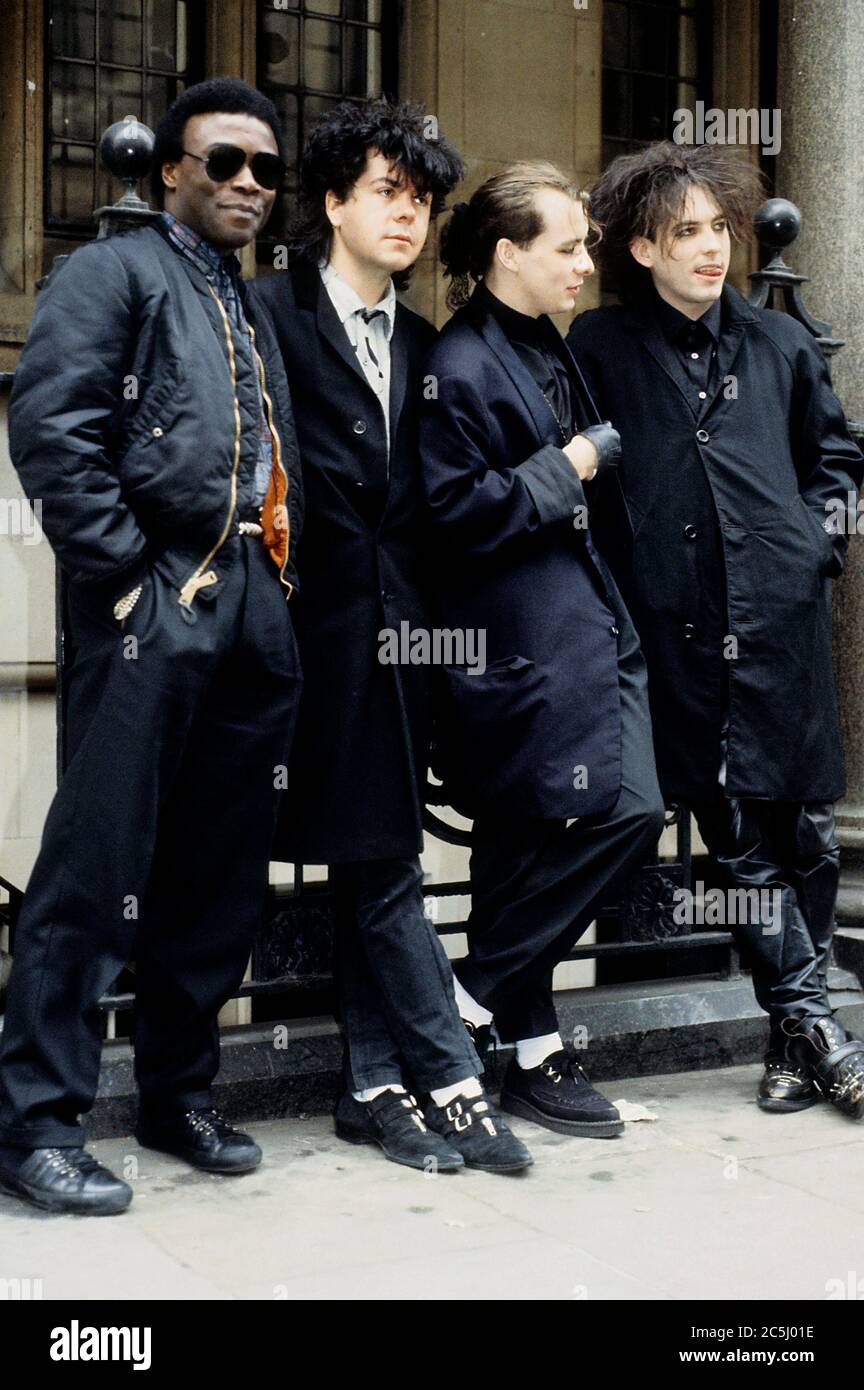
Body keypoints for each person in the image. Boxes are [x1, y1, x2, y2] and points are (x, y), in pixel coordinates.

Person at [0, 78, 305, 1215]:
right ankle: (35, 1122)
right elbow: (55, 428)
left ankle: (180, 1094)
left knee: (218, 878)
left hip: (250, 616)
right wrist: (129, 582)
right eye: (223, 161)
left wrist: (277, 587)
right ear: (170, 168)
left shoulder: (246, 296)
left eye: (265, 170)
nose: (247, 185)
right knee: (95, 872)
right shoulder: (111, 269)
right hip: (150, 607)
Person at [248, 100, 531, 1174]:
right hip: (301, 640)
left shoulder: (427, 344)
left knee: (376, 851)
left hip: (403, 647)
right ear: (331, 201)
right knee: (381, 858)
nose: (408, 216)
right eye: (386, 194)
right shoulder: (266, 312)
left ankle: (371, 1087)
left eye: (421, 201)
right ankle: (451, 1078)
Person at [567, 141, 864, 1118]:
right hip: (678, 629)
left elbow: (839, 466)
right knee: (735, 832)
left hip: (782, 626)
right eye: (684, 232)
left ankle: (792, 1038)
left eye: (718, 229)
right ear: (642, 247)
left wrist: (816, 551)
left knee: (809, 830)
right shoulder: (601, 348)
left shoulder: (780, 345)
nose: (710, 248)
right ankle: (822, 1023)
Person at [418, 162, 666, 1138]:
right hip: (517, 643)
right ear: (506, 252)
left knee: (632, 806)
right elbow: (448, 515)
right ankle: (529, 1049)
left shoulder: (539, 344)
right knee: (520, 847)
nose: (585, 262)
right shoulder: (462, 359)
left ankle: (474, 995)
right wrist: (566, 468)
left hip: (588, 633)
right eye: (567, 245)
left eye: (586, 245)